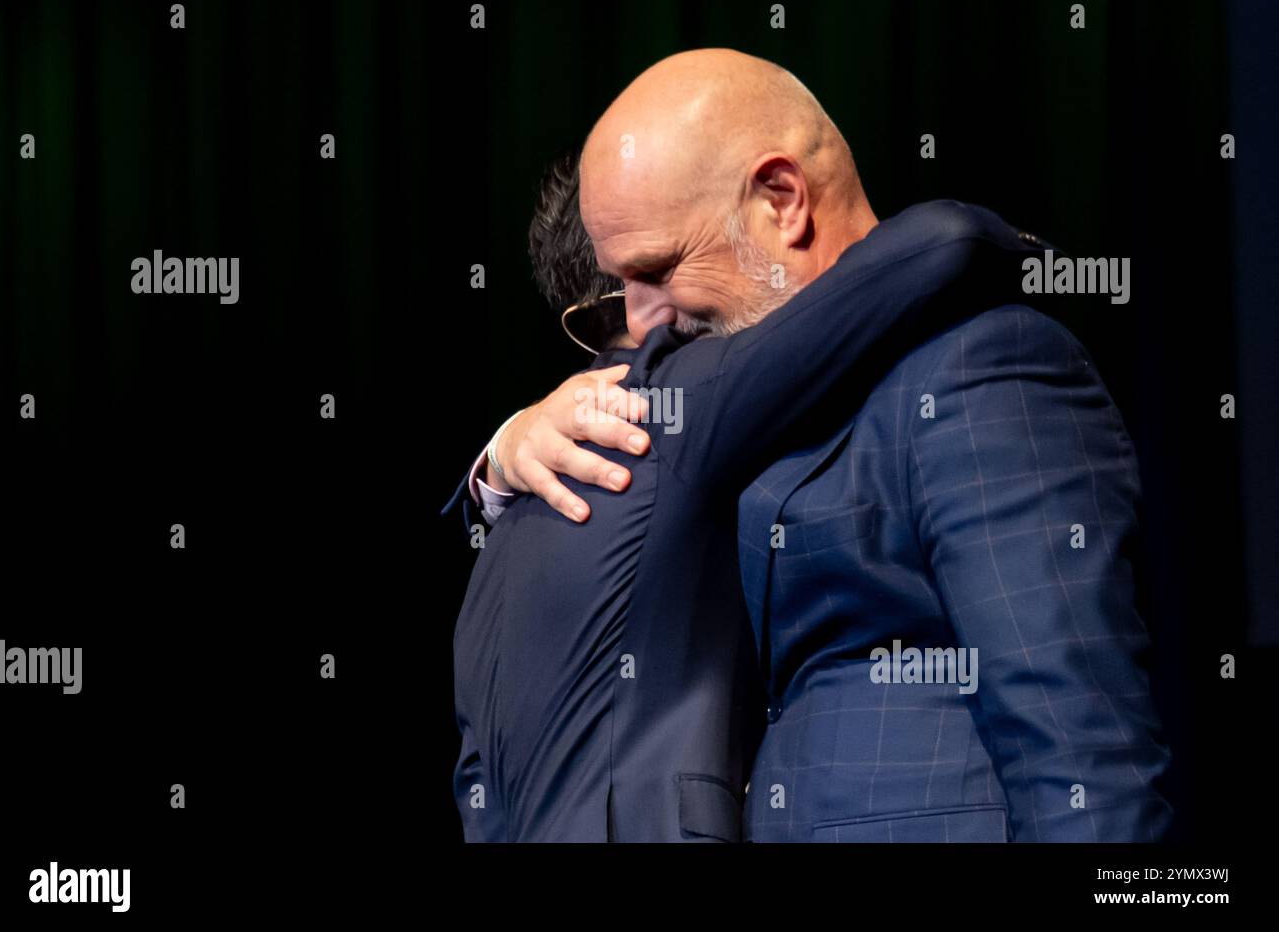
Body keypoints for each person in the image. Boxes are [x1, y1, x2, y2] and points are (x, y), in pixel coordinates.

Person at [464, 49, 1173, 842]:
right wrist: (497, 455)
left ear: (782, 200)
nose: (636, 327)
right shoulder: (710, 419)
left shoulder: (981, 364)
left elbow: (1080, 752)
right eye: (616, 286)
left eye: (660, 269)